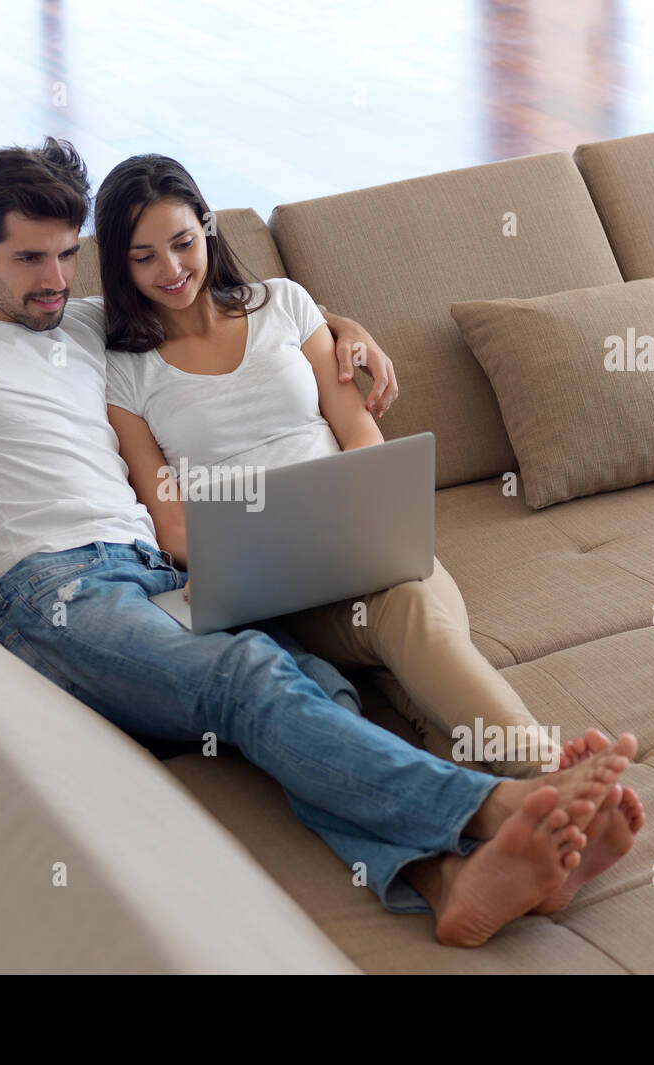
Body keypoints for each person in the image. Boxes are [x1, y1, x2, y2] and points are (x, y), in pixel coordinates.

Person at [0, 137, 639, 946]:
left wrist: (344, 328)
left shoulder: (88, 328)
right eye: (27, 262)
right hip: (51, 593)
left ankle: (443, 884)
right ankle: (494, 806)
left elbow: (228, 310)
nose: (52, 283)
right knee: (250, 683)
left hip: (151, 578)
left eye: (64, 257)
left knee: (318, 687)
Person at [96, 153, 569, 780]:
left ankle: (517, 795)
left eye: (183, 242)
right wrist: (240, 559)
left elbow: (357, 432)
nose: (172, 268)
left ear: (207, 228)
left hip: (361, 541)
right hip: (277, 589)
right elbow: (173, 524)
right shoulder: (126, 370)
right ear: (119, 265)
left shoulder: (285, 305)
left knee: (412, 628)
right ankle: (554, 776)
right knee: (413, 614)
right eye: (144, 256)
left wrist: (375, 517)